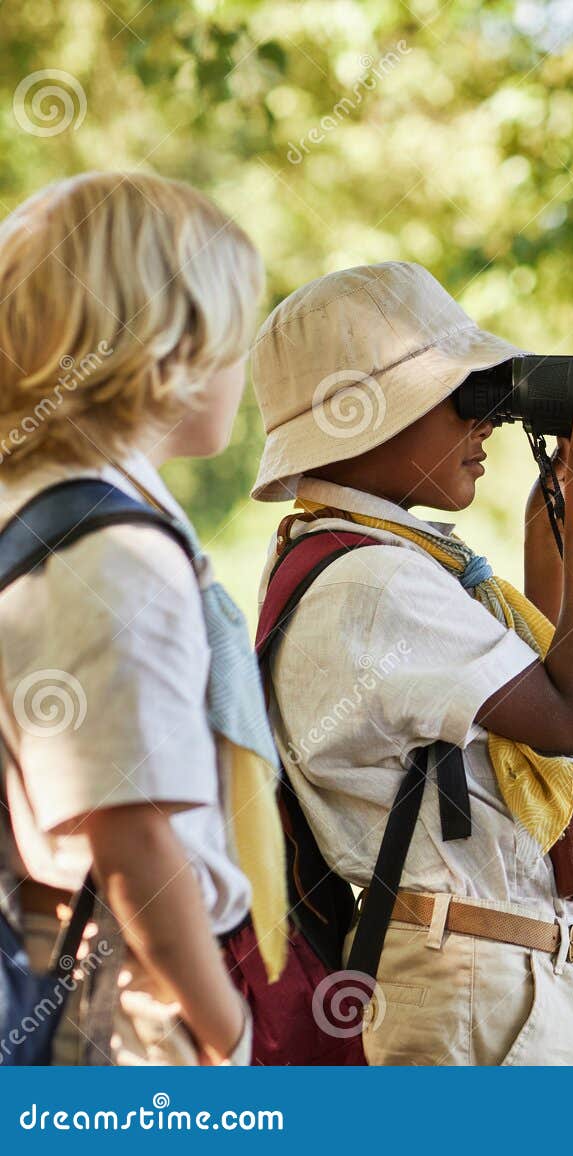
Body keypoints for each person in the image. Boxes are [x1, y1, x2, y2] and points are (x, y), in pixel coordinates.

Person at [247, 261, 573, 1065]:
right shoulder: (376, 582)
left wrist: (570, 507)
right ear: (365, 419)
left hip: (478, 983)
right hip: (472, 996)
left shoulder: (361, 560)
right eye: (462, 394)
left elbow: (546, 667)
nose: (488, 420)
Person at [0, 171, 278, 1065]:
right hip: (117, 999)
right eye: (235, 338)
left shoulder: (29, 509)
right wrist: (222, 1031)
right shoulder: (120, 552)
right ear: (173, 347)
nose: (244, 371)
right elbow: (132, 835)